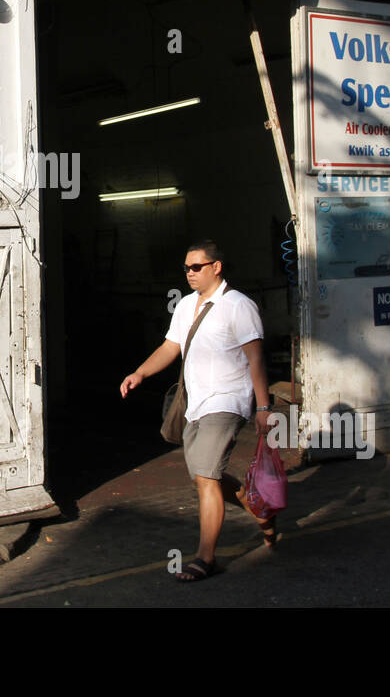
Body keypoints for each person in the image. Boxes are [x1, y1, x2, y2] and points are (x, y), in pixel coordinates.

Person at [120, 239, 276, 582]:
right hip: (194, 404)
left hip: (227, 401)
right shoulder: (186, 305)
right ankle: (259, 505)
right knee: (206, 476)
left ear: (216, 267)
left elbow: (256, 358)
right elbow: (170, 347)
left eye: (196, 267)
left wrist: (263, 406)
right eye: (186, 268)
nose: (189, 273)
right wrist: (140, 373)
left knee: (206, 475)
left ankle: (206, 558)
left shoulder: (238, 305)